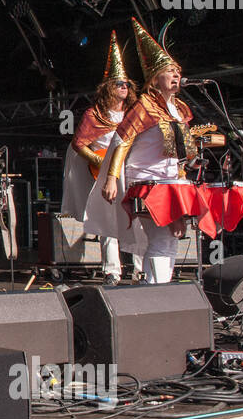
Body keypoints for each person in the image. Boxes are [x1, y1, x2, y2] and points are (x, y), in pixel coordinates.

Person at [85, 19, 213, 285]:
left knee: (171, 237)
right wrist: (110, 177)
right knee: (162, 238)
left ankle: (153, 290)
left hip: (172, 182)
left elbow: (179, 152)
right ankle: (157, 292)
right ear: (156, 78)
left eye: (178, 71)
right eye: (170, 71)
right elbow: (122, 140)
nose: (176, 75)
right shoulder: (145, 105)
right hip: (148, 183)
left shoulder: (179, 109)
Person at [60, 32, 142, 284]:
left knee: (137, 220)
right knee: (109, 222)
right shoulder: (94, 115)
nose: (124, 88)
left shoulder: (134, 114)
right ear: (108, 87)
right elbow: (79, 144)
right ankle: (112, 270)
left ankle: (140, 268)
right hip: (106, 174)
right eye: (119, 84)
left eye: (127, 84)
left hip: (132, 171)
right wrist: (99, 161)